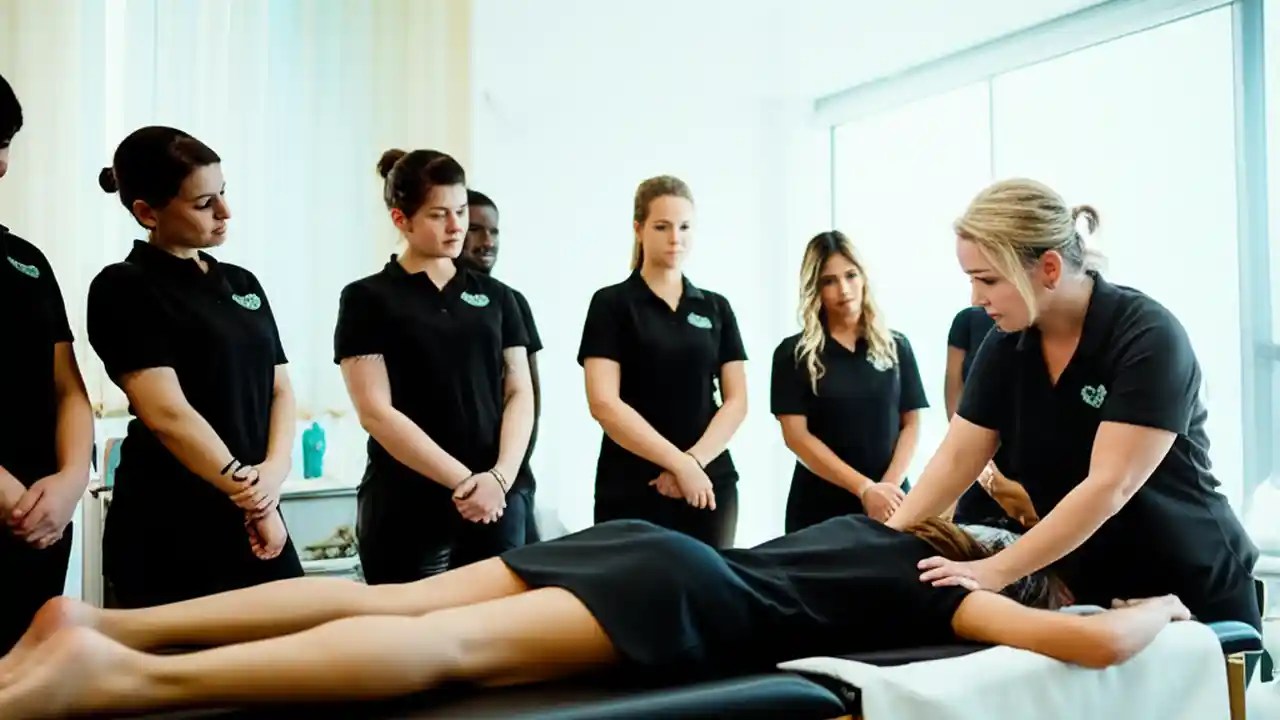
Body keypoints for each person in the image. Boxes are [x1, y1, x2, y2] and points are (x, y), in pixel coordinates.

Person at [0, 514, 1193, 719]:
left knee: (389, 598)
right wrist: (1161, 608)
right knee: (435, 650)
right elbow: (1092, 643)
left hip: (644, 544)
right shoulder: (958, 593)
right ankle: (124, 683)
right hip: (682, 595)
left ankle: (112, 627)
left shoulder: (886, 528)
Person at [887, 178, 1261, 637]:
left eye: (988, 280)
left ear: (1049, 268)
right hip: (1095, 587)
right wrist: (885, 542)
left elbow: (1109, 485)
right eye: (971, 280)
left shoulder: (1147, 336)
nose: (975, 299)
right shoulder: (1006, 347)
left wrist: (992, 572)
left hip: (1192, 583)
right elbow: (956, 459)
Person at [86, 126, 304, 608]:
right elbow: (168, 413)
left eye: (223, 193)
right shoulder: (124, 287)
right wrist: (253, 496)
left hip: (254, 500)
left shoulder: (243, 283)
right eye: (205, 203)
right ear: (148, 212)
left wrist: (274, 473)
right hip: (173, 521)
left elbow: (280, 390)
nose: (225, 212)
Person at [335, 150, 535, 584]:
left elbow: (520, 392)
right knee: (408, 624)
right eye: (438, 214)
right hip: (406, 503)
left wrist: (500, 478)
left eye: (460, 211)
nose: (456, 226)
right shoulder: (367, 298)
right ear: (401, 219)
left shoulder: (499, 297)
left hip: (495, 497)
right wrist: (465, 482)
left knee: (494, 623)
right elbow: (376, 411)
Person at [579, 175, 747, 548]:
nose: (675, 238)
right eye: (662, 226)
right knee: (633, 585)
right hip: (631, 484)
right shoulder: (611, 304)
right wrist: (678, 464)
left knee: (710, 583)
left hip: (708, 482)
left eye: (684, 227)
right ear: (638, 228)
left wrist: (694, 463)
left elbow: (737, 402)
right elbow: (603, 403)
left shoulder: (716, 307)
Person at [0, 73, 95, 653]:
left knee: (32, 671)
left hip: (40, 521)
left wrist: (71, 480)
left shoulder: (26, 261)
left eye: (4, 144)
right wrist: (12, 500)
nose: (0, 165)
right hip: (21, 510)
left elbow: (68, 387)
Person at [771, 231, 927, 530]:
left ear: (863, 277)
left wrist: (887, 488)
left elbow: (911, 423)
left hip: (891, 502)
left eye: (851, 275)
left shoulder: (896, 346)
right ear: (815, 288)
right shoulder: (793, 353)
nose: (843, 289)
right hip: (819, 506)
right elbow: (796, 436)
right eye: (829, 281)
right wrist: (864, 489)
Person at [459, 189, 543, 543]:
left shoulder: (510, 301)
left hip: (507, 482)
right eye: (475, 229)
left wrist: (506, 475)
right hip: (447, 482)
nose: (487, 241)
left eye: (494, 231)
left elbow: (529, 397)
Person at [944, 305, 1037, 531]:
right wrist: (985, 473)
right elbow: (957, 404)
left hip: (1033, 466)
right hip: (979, 462)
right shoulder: (969, 321)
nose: (978, 296)